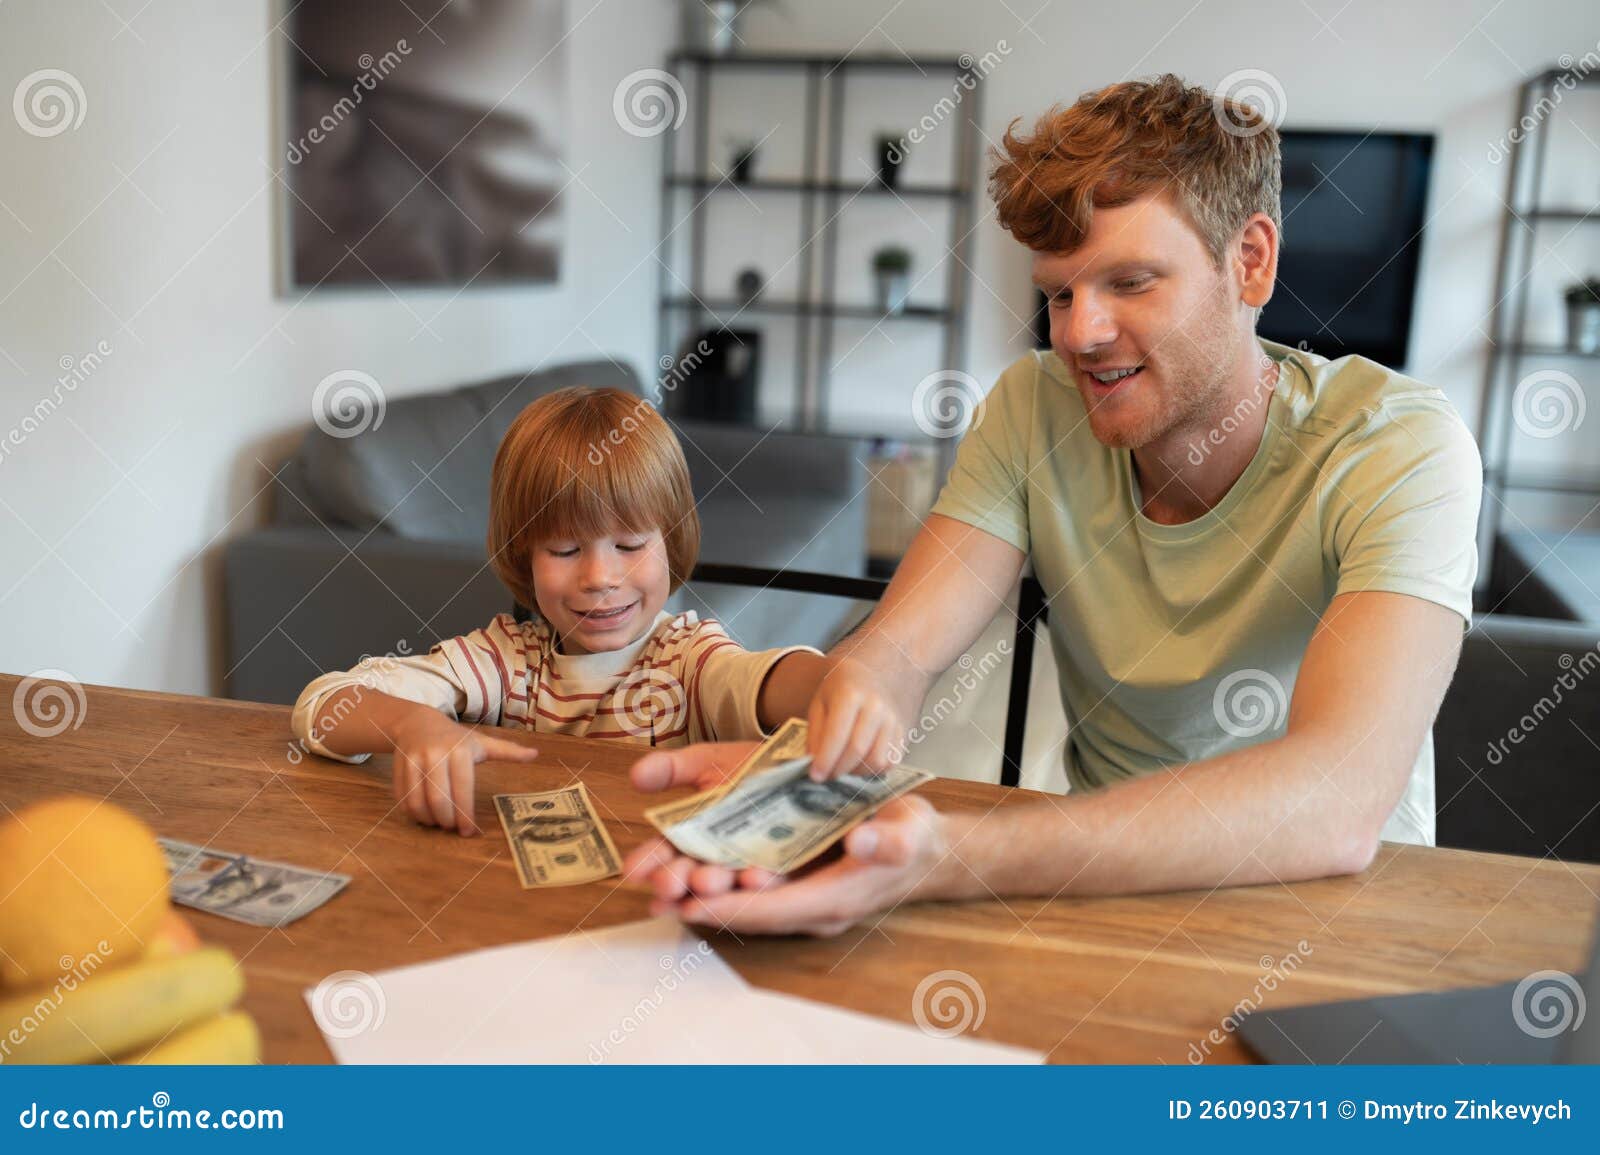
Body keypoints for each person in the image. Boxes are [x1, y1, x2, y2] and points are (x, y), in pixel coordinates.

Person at [622, 74, 1483, 936]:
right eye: (1060, 292)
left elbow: (1336, 802)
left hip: (1338, 910)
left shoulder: (1397, 445)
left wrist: (952, 858)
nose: (1078, 333)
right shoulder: (1032, 407)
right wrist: (834, 742)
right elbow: (901, 650)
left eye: (1130, 282)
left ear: (1250, 260)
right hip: (1104, 888)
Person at [290, 386, 825, 836]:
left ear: (672, 542)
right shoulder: (507, 661)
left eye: (630, 545)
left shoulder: (690, 658)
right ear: (524, 557)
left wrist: (843, 681)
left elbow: (776, 683)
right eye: (565, 550)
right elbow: (321, 705)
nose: (600, 577)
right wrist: (412, 724)